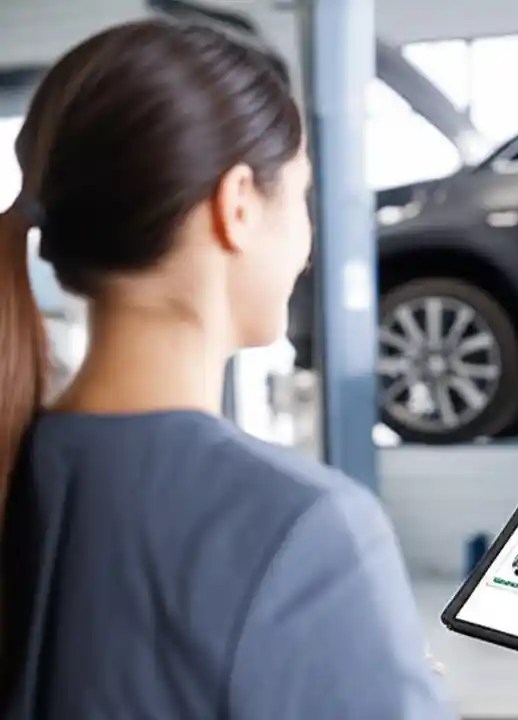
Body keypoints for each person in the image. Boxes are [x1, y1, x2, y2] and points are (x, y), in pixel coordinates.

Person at [0, 19, 455, 719]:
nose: (306, 245)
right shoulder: (303, 526)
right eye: (299, 195)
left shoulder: (20, 464)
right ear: (237, 204)